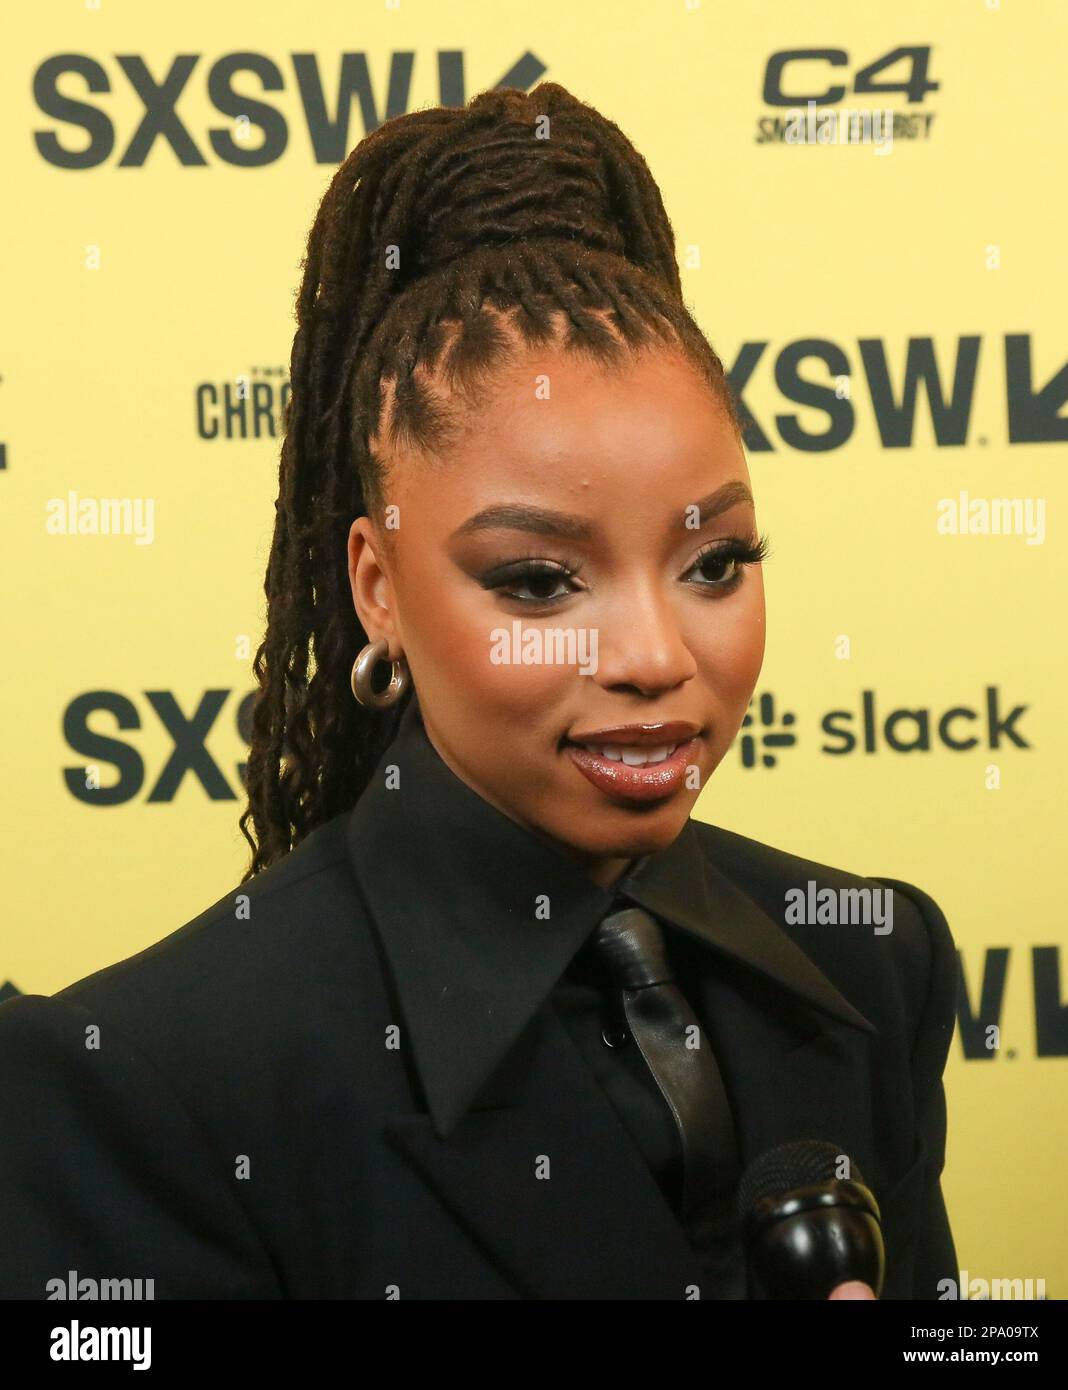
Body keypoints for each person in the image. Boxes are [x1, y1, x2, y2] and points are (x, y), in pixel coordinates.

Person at [0, 83, 957, 1300]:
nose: (654, 652)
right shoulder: (150, 1080)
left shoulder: (873, 961)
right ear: (378, 585)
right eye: (539, 580)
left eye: (712, 562)